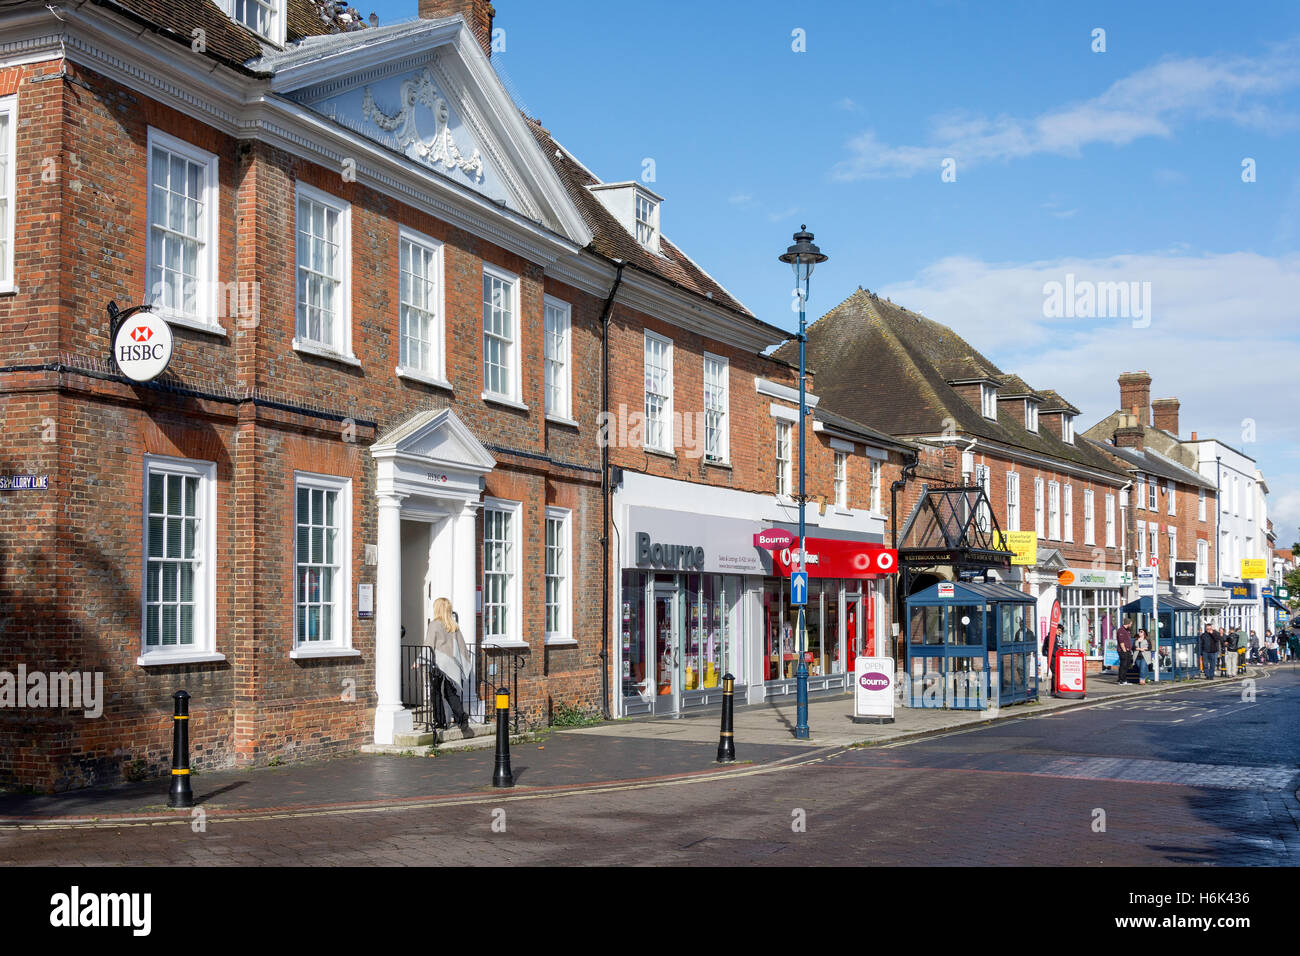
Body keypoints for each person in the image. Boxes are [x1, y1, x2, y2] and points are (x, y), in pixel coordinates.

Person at [416, 596, 472, 730]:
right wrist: (464, 663)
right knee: (450, 693)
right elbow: (462, 646)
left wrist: (419, 660)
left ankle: (440, 722)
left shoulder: (434, 625)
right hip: (452, 664)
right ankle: (461, 717)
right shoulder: (453, 626)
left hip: (438, 664)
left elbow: (428, 645)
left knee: (436, 693)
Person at [1115, 618, 1134, 685]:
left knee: (1127, 665)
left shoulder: (1127, 630)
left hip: (1128, 650)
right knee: (1123, 665)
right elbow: (1121, 642)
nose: (1131, 625)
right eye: (1131, 624)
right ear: (1128, 623)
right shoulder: (1121, 630)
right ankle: (1121, 680)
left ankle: (1124, 679)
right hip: (1123, 651)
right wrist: (1125, 651)